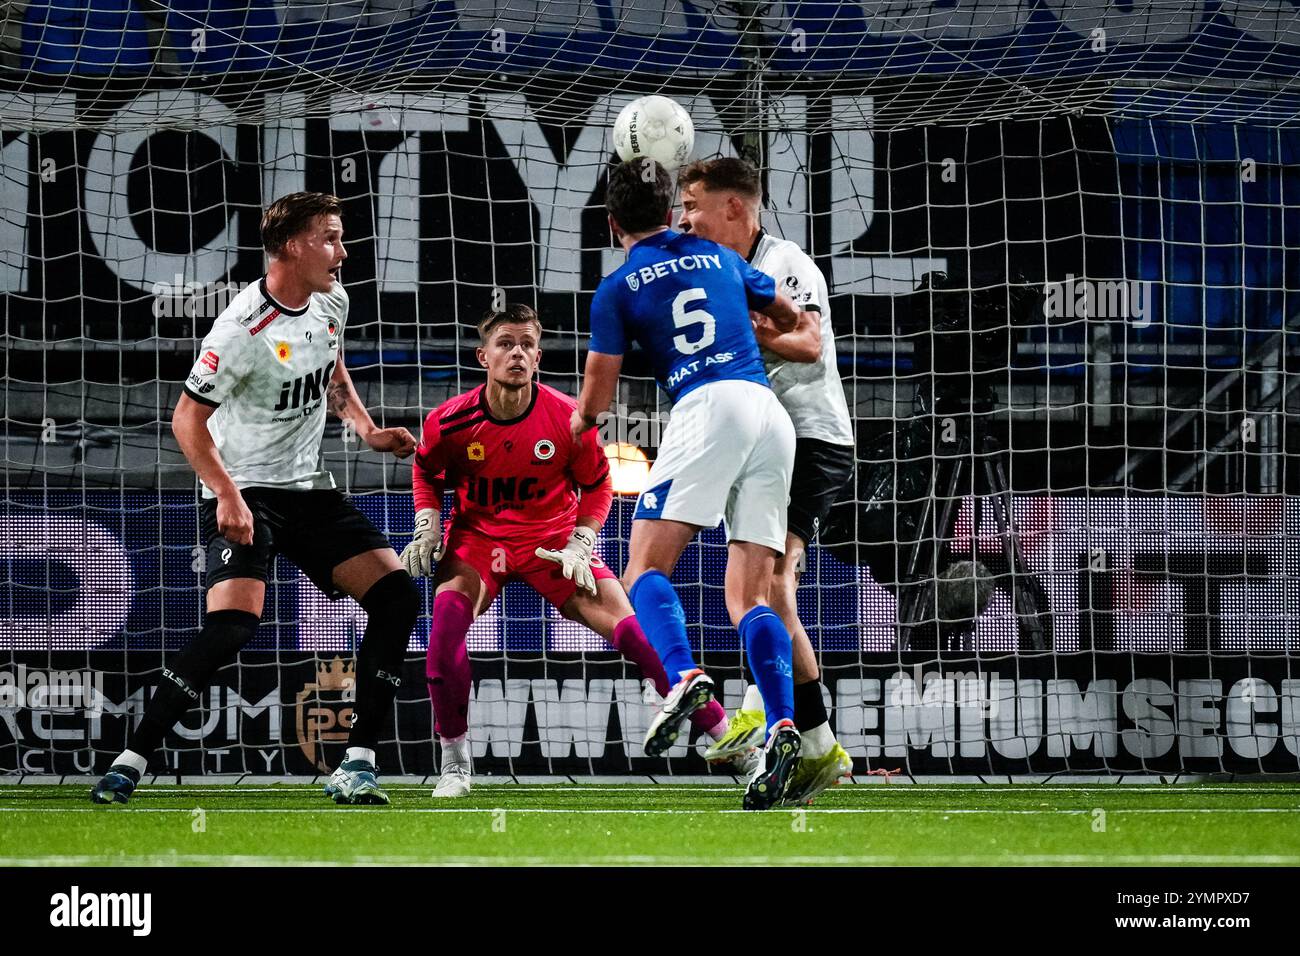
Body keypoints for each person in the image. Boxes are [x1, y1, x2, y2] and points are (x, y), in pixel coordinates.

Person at [90, 192, 419, 807]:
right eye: (330, 238)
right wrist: (227, 496)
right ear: (292, 246)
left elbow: (332, 366)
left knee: (397, 597)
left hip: (309, 490)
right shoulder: (240, 328)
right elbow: (186, 419)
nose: (343, 252)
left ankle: (357, 763)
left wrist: (369, 430)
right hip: (243, 492)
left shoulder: (332, 301)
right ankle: (130, 760)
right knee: (234, 626)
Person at [402, 303, 731, 797]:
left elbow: (599, 485)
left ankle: (737, 747)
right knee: (442, 645)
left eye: (527, 345)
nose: (517, 353)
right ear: (482, 356)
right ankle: (455, 763)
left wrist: (583, 539)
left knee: (640, 638)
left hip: (554, 543)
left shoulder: (568, 419)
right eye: (506, 344)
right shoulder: (449, 422)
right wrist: (428, 524)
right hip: (479, 540)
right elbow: (427, 472)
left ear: (538, 358)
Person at [572, 158, 814, 810]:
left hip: (707, 407)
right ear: (670, 210)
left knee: (643, 566)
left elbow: (600, 388)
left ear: (612, 220)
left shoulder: (618, 287)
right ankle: (782, 729)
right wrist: (761, 324)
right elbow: (790, 316)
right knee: (750, 594)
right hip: (769, 416)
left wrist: (581, 426)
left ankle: (683, 676)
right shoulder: (718, 256)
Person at [677, 157, 856, 805]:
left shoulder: (786, 265)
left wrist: (746, 333)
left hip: (810, 439)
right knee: (771, 590)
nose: (685, 217)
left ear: (734, 207)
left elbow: (809, 345)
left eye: (694, 203)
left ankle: (771, 714)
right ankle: (814, 746)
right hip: (760, 447)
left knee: (771, 584)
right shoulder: (714, 272)